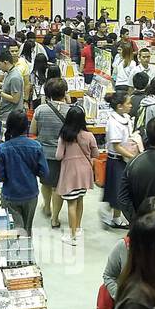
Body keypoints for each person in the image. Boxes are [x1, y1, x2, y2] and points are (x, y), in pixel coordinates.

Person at [0, 111, 47, 233]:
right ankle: (28, 249)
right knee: (27, 229)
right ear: (26, 127)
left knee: (16, 231)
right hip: (31, 194)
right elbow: (44, 172)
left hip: (11, 195)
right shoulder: (36, 146)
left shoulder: (2, 149)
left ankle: (19, 250)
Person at [54, 104, 98, 245]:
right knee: (80, 200)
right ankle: (78, 229)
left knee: (71, 204)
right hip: (85, 173)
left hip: (70, 174)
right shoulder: (89, 135)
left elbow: (59, 156)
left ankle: (72, 236)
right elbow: (95, 154)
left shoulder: (64, 136)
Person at [30, 76, 70, 228]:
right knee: (58, 186)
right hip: (64, 153)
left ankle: (47, 207)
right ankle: (55, 218)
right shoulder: (71, 111)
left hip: (44, 153)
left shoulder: (40, 110)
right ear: (64, 92)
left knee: (46, 182)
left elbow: (33, 130)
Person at [102, 87, 138, 229]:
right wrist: (133, 156)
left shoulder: (126, 118)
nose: (131, 105)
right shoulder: (113, 122)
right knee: (117, 191)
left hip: (124, 158)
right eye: (128, 103)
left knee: (120, 190)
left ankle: (116, 217)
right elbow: (116, 146)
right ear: (119, 106)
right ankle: (109, 215)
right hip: (116, 160)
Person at [0, 47, 26, 132]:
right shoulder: (8, 73)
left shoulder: (15, 77)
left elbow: (15, 99)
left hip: (10, 116)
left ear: (5, 62)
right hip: (5, 113)